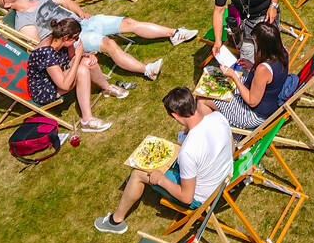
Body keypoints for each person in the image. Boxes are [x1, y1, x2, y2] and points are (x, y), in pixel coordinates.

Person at [93, 86, 233, 233]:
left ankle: (115, 221)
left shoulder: (189, 151)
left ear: (176, 115)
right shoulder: (218, 117)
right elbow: (231, 146)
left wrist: (161, 180)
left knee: (137, 173)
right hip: (225, 177)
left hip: (204, 196)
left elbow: (187, 197)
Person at [0, 0, 196, 79]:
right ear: (7, 4)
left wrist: (80, 12)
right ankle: (147, 70)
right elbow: (44, 48)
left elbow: (66, 2)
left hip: (85, 21)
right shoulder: (23, 23)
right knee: (108, 43)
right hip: (75, 37)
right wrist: (73, 49)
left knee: (129, 22)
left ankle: (175, 33)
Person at [25, 17, 120, 132]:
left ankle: (106, 88)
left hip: (57, 75)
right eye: (75, 38)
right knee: (81, 71)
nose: (77, 41)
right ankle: (87, 120)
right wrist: (79, 57)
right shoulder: (46, 53)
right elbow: (64, 85)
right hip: (44, 89)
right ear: (66, 37)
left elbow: (70, 58)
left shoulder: (59, 39)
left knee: (88, 62)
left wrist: (84, 55)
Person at [211, 21, 291, 130]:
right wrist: (252, 66)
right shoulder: (284, 51)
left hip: (254, 115)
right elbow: (270, 79)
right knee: (220, 82)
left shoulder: (263, 69)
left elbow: (252, 101)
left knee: (205, 98)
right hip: (270, 100)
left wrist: (234, 76)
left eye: (255, 41)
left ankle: (221, 136)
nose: (254, 43)